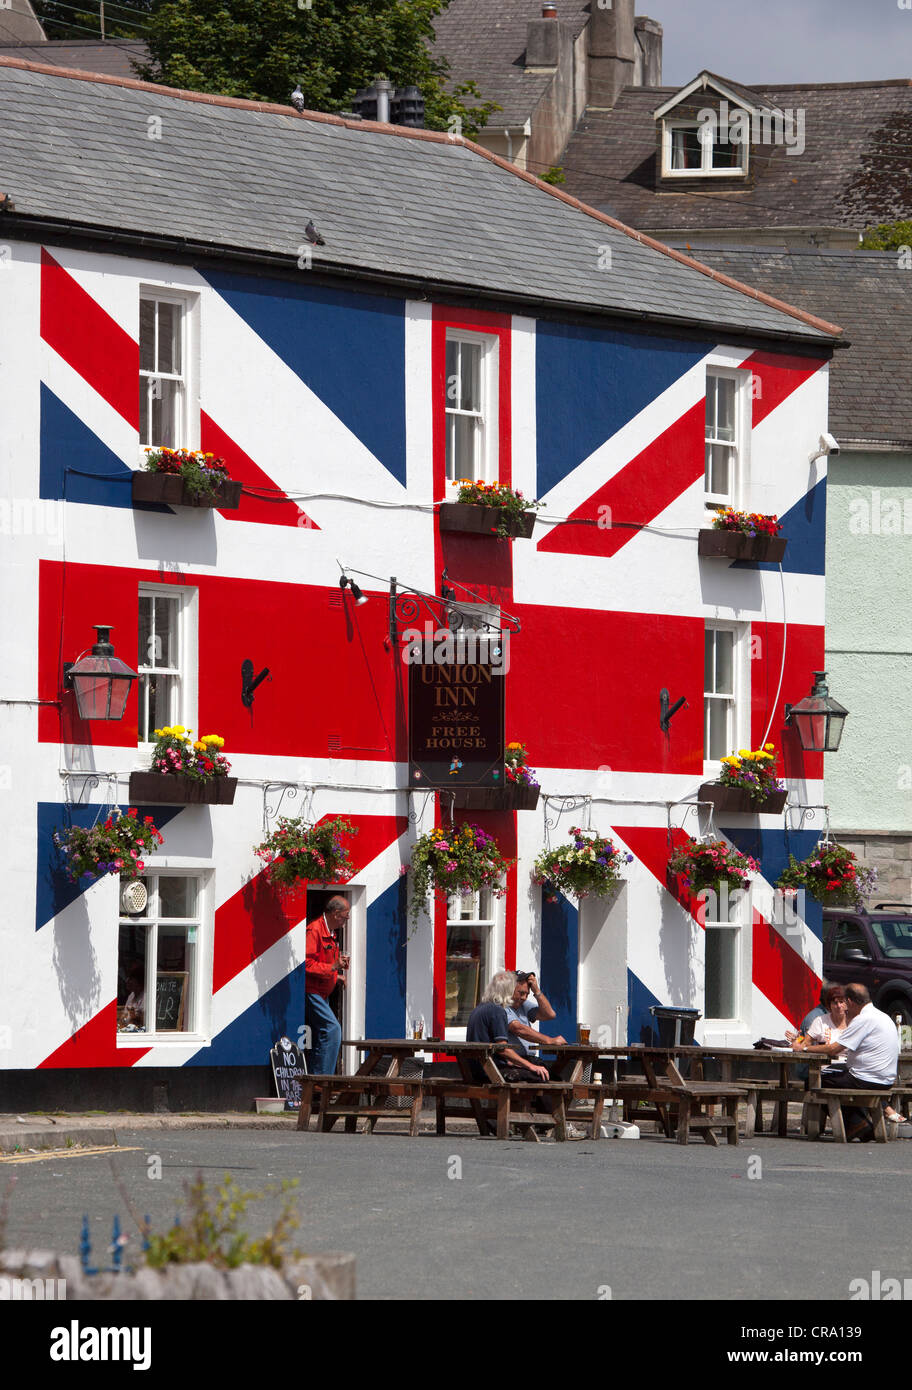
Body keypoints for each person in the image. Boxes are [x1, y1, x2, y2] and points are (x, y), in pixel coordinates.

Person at [795, 982, 900, 1141]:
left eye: (844, 1002)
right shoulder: (883, 1016)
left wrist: (802, 1049)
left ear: (850, 1002)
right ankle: (859, 1124)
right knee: (833, 1076)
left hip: (866, 1079)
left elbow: (833, 1049)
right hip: (887, 1079)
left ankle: (856, 1125)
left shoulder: (863, 1019)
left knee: (815, 1080)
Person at [304, 896, 351, 1077]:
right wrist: (333, 967)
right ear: (336, 913)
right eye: (345, 917)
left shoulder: (329, 931)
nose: (346, 921)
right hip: (312, 991)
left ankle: (317, 1080)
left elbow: (320, 961)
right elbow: (306, 964)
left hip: (322, 991)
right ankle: (323, 1082)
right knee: (332, 1030)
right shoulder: (315, 930)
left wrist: (335, 976)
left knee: (323, 1034)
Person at [504, 970, 567, 1057]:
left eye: (527, 994)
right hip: (514, 1061)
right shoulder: (502, 1005)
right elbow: (518, 1028)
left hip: (529, 1058)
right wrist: (549, 1040)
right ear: (509, 989)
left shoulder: (522, 1003)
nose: (524, 998)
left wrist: (536, 991)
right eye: (521, 993)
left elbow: (550, 1014)